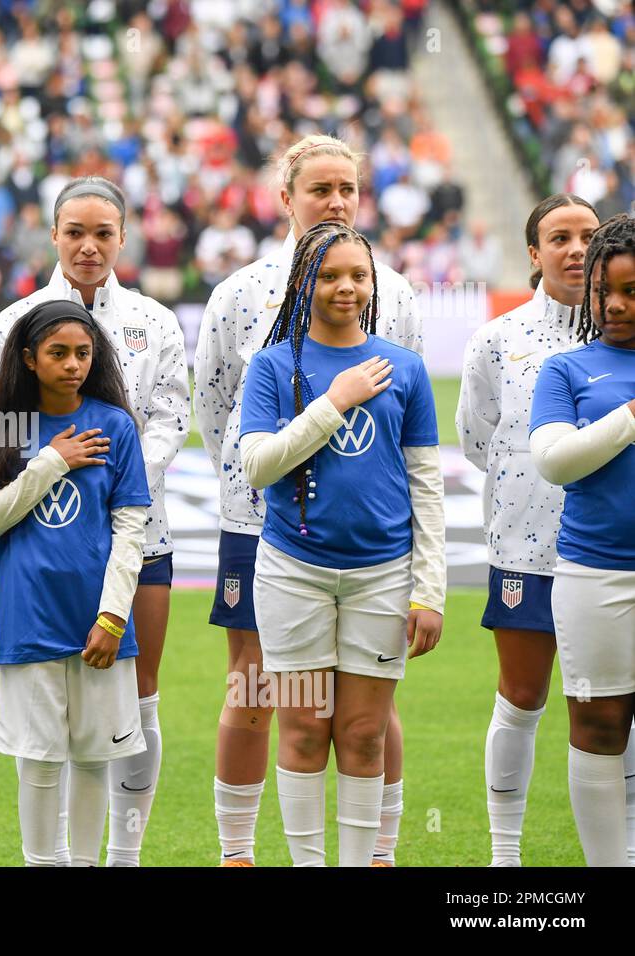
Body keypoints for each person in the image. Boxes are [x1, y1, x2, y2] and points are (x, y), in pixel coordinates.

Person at [193, 134, 422, 866]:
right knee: (257, 689)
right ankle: (237, 852)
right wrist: (259, 486)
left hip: (366, 537)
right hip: (259, 524)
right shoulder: (239, 294)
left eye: (347, 189)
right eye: (319, 189)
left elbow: (405, 409)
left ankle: (376, 852)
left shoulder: (395, 290)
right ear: (284, 198)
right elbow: (216, 409)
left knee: (368, 707)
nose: (335, 201)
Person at [0, 176, 187, 865]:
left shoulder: (155, 321)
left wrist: (115, 476)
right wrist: (65, 471)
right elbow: (4, 431)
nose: (89, 245)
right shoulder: (15, 322)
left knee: (137, 701)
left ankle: (122, 856)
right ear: (53, 234)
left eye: (104, 232)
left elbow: (170, 417)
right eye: (75, 231)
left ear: (123, 238)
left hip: (137, 534)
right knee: (44, 735)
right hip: (42, 543)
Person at [240, 221, 445, 866]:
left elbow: (426, 484)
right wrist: (333, 402)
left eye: (358, 275)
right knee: (302, 730)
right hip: (292, 573)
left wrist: (429, 588)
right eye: (329, 276)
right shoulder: (273, 366)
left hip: (382, 577)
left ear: (373, 281)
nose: (345, 288)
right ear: (304, 282)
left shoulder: (405, 368)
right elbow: (258, 466)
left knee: (361, 734)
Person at [456, 194, 621, 866]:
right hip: (527, 546)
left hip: (612, 555)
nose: (577, 248)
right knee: (522, 698)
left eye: (589, 236)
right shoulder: (500, 339)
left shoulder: (622, 330)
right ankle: (505, 854)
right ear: (534, 253)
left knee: (614, 707)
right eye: (560, 237)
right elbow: (476, 437)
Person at [0, 299, 152, 866]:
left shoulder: (115, 425)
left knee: (96, 756)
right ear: (27, 359)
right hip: (29, 617)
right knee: (40, 759)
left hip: (99, 619)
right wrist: (50, 461)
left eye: (82, 353)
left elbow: (130, 530)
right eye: (57, 353)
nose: (72, 363)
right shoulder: (0, 426)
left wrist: (113, 615)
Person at [530, 213, 635, 867]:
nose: (617, 305)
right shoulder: (566, 370)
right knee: (598, 726)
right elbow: (556, 461)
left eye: (632, 290)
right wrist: (628, 416)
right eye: (606, 292)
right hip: (593, 574)